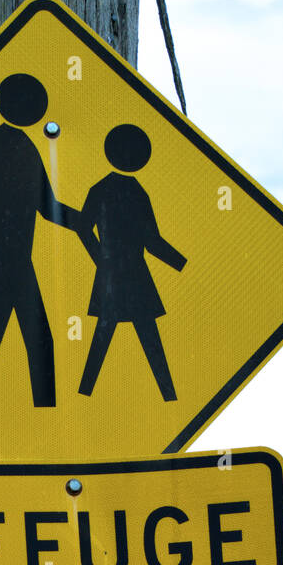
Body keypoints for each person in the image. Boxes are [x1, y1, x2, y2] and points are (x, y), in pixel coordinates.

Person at [0, 73, 81, 409]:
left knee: (31, 340)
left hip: (20, 260)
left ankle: (43, 419)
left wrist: (86, 222)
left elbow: (46, 208)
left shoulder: (28, 148)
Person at [77, 123, 186, 401]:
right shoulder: (132, 192)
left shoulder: (120, 190)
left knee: (124, 336)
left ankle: (168, 396)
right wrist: (100, 258)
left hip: (122, 275)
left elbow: (83, 227)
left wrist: (102, 259)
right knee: (123, 337)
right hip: (130, 276)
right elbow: (152, 241)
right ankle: (167, 396)